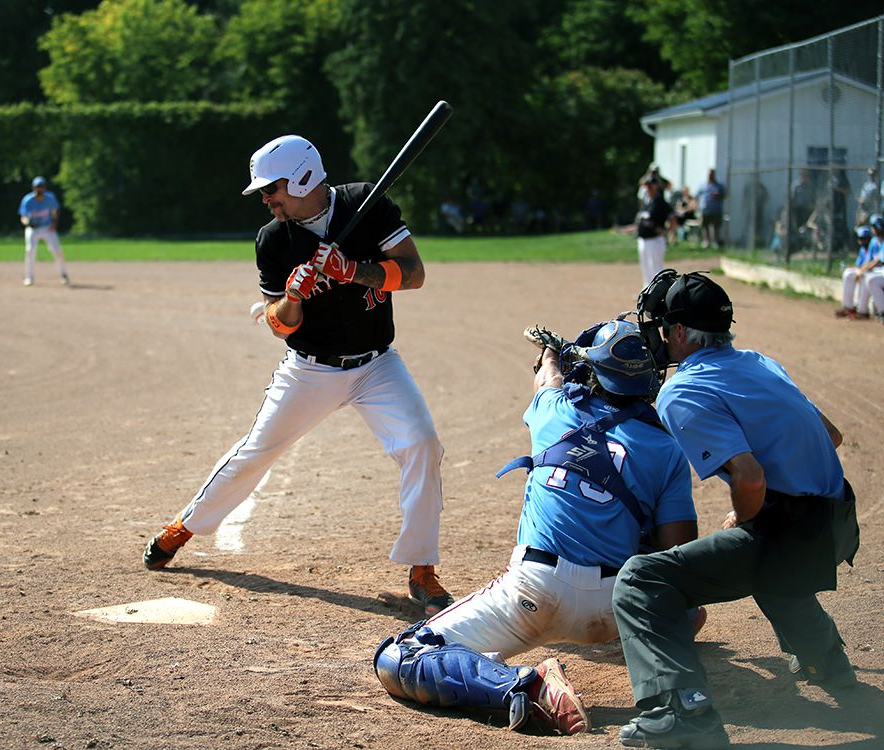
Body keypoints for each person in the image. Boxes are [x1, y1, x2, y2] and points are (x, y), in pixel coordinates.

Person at [142, 135, 455, 616]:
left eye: (272, 189)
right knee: (255, 452)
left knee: (422, 444)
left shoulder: (365, 203)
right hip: (311, 369)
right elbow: (279, 324)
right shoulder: (273, 240)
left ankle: (421, 568)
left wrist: (354, 270)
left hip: (377, 364)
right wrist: (294, 296)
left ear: (304, 178)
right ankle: (184, 526)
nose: (266, 199)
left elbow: (413, 273)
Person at [373, 319, 702, 737]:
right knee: (683, 603)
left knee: (402, 656)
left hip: (534, 593)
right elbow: (676, 557)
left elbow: (548, 378)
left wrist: (551, 355)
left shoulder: (554, 409)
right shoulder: (667, 448)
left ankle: (528, 687)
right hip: (618, 606)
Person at [613, 271, 860, 749]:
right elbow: (830, 435)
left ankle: (682, 711)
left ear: (679, 332)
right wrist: (764, 512)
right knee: (767, 560)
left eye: (663, 326)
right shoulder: (760, 362)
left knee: (641, 580)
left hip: (796, 536)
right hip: (837, 523)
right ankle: (828, 662)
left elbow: (748, 477)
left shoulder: (682, 390)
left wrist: (750, 516)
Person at [18, 176, 68, 287]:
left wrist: (54, 223)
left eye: (41, 186)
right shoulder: (28, 200)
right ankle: (29, 277)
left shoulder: (50, 198)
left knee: (57, 250)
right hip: (33, 229)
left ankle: (63, 274)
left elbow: (55, 211)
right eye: (37, 187)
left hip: (47, 228)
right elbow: (23, 216)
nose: (39, 189)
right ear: (34, 188)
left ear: (44, 187)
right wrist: (27, 222)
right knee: (30, 251)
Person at [636, 176, 673, 286]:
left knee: (656, 268)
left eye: (650, 185)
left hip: (655, 240)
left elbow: (673, 218)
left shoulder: (660, 202)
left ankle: (659, 291)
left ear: (656, 186)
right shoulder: (647, 201)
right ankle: (647, 290)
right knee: (645, 268)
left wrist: (667, 232)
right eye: (647, 186)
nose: (648, 188)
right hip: (643, 239)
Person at [834, 224, 876, 320]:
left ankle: (862, 311)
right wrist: (852, 269)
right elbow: (859, 265)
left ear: (870, 239)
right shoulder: (862, 250)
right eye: (861, 239)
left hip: (873, 272)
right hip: (864, 271)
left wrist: (860, 271)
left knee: (865, 277)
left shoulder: (873, 247)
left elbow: (872, 262)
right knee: (848, 273)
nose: (863, 241)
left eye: (866, 239)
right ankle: (848, 307)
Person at [695, 168, 725, 249]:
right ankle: (706, 241)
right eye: (709, 175)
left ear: (714, 175)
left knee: (716, 226)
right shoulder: (703, 185)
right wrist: (697, 206)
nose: (710, 176)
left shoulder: (719, 186)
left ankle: (715, 241)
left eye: (711, 175)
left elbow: (724, 195)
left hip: (716, 210)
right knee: (705, 226)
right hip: (705, 209)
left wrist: (718, 196)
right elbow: (697, 195)